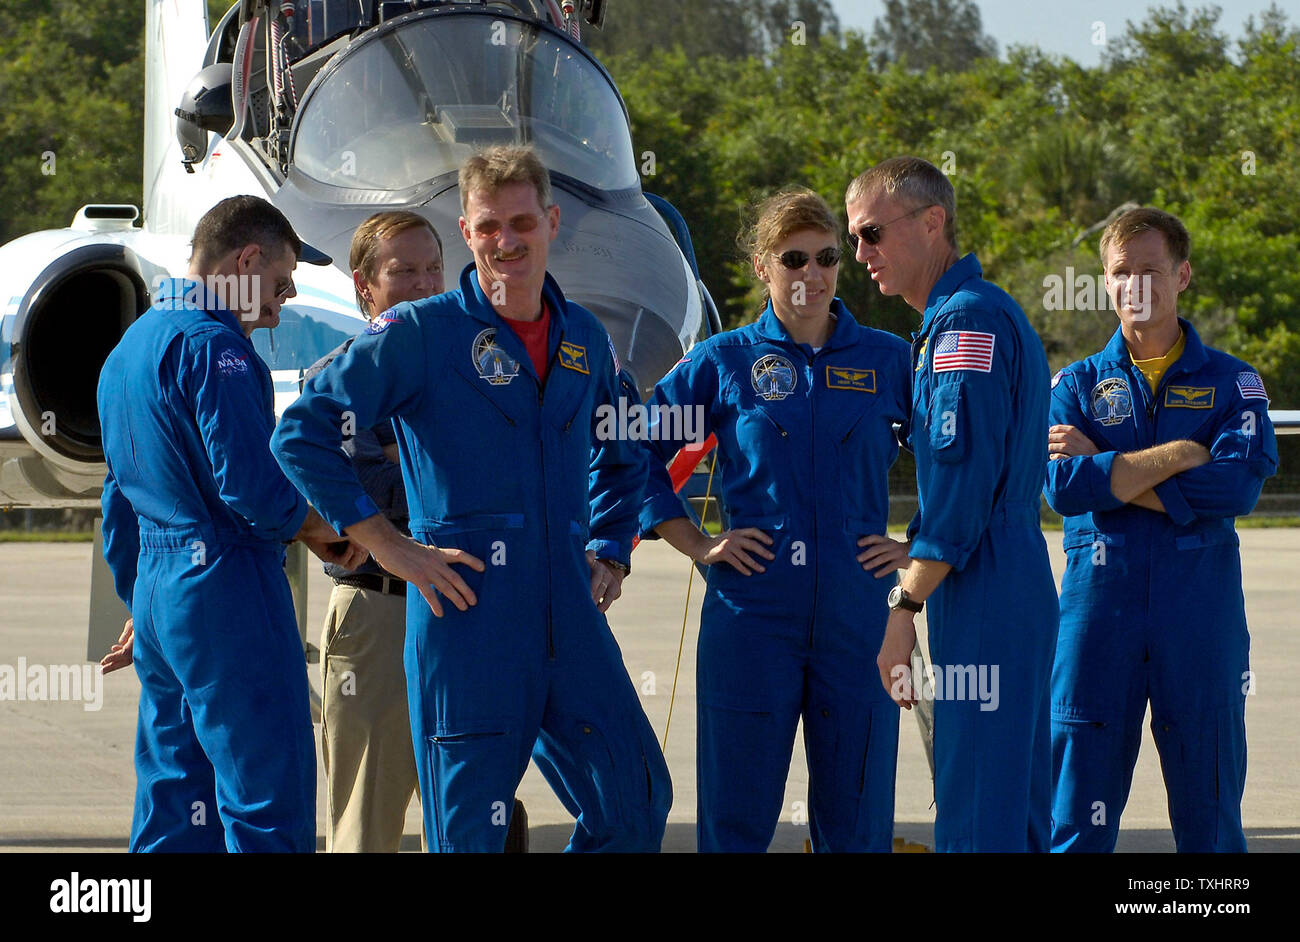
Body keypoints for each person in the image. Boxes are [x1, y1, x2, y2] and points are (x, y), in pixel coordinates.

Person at [271, 145, 671, 853]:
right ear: (466, 230)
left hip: (570, 619)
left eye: (521, 222)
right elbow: (302, 434)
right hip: (466, 620)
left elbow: (623, 447)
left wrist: (611, 548)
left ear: (552, 222)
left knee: (636, 797)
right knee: (468, 834)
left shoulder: (583, 337)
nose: (505, 241)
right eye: (488, 227)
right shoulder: (422, 336)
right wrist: (389, 546)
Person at [637, 187, 911, 852]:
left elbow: (957, 455)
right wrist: (696, 542)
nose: (812, 275)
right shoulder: (722, 362)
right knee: (736, 818)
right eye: (794, 259)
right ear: (763, 266)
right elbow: (632, 452)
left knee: (858, 821)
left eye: (826, 258)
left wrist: (919, 544)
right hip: (752, 620)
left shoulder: (890, 360)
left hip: (858, 619)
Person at [97, 195, 366, 852]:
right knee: (265, 799)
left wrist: (142, 598)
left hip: (163, 599)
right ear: (246, 260)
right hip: (228, 589)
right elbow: (250, 486)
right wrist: (329, 526)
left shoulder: (128, 349)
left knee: (172, 801)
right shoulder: (219, 349)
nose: (279, 307)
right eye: (278, 286)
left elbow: (118, 501)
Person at [1044, 207, 1278, 852]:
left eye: (1150, 270)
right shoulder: (1076, 383)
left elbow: (1236, 487)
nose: (1135, 286)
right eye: (1121, 273)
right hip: (1096, 615)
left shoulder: (1234, 382)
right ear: (1106, 284)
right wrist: (1182, 454)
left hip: (1197, 616)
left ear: (1182, 276)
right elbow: (1063, 489)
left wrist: (1108, 468)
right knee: (1077, 817)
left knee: (1209, 816)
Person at [846, 156, 1059, 852]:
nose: (860, 253)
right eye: (855, 237)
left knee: (976, 811)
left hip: (986, 583)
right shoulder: (964, 317)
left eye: (872, 232)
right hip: (999, 577)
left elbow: (965, 497)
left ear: (932, 222)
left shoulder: (966, 324)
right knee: (1009, 802)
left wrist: (903, 610)